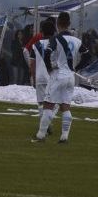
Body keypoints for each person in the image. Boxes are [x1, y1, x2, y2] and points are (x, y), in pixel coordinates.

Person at [30, 12, 82, 144]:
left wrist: (49, 67)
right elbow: (87, 55)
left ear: (58, 24)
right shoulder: (77, 40)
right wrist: (78, 67)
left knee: (48, 105)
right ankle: (64, 137)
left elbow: (47, 52)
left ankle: (40, 136)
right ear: (69, 24)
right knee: (65, 106)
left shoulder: (55, 39)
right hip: (70, 76)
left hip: (58, 75)